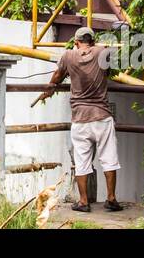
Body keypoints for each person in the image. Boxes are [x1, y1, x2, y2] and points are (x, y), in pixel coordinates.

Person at [35, 26, 122, 212]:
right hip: (102, 116)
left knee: (82, 160)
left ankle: (83, 202)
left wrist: (50, 87)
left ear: (76, 42)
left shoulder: (68, 56)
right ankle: (112, 199)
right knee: (109, 158)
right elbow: (107, 71)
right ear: (93, 40)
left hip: (80, 117)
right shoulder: (103, 52)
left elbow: (57, 77)